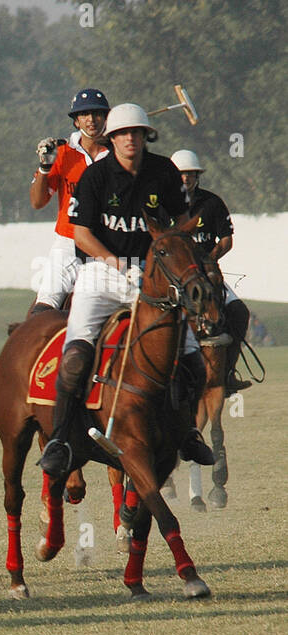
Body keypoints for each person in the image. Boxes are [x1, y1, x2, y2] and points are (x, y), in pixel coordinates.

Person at [39, 104, 214, 480]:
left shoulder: (164, 172)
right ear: (112, 138)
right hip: (102, 274)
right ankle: (59, 440)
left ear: (145, 136)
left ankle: (187, 432)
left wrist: (173, 246)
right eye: (123, 133)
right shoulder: (95, 177)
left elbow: (180, 219)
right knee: (74, 358)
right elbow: (81, 234)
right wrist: (113, 261)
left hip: (152, 275)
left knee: (194, 361)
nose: (131, 139)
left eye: (137, 133)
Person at [171, 149, 251, 395]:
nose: (186, 179)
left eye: (191, 174)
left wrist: (209, 262)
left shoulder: (212, 203)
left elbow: (226, 241)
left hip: (208, 276)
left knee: (239, 311)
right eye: (181, 174)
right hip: (174, 278)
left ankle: (227, 372)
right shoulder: (162, 204)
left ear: (197, 176)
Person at [29, 88, 112, 314]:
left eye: (97, 113)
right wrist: (45, 166)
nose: (91, 119)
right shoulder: (62, 153)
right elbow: (37, 202)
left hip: (109, 243)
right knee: (44, 307)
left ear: (107, 117)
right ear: (76, 121)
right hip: (69, 242)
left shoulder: (119, 155)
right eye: (84, 114)